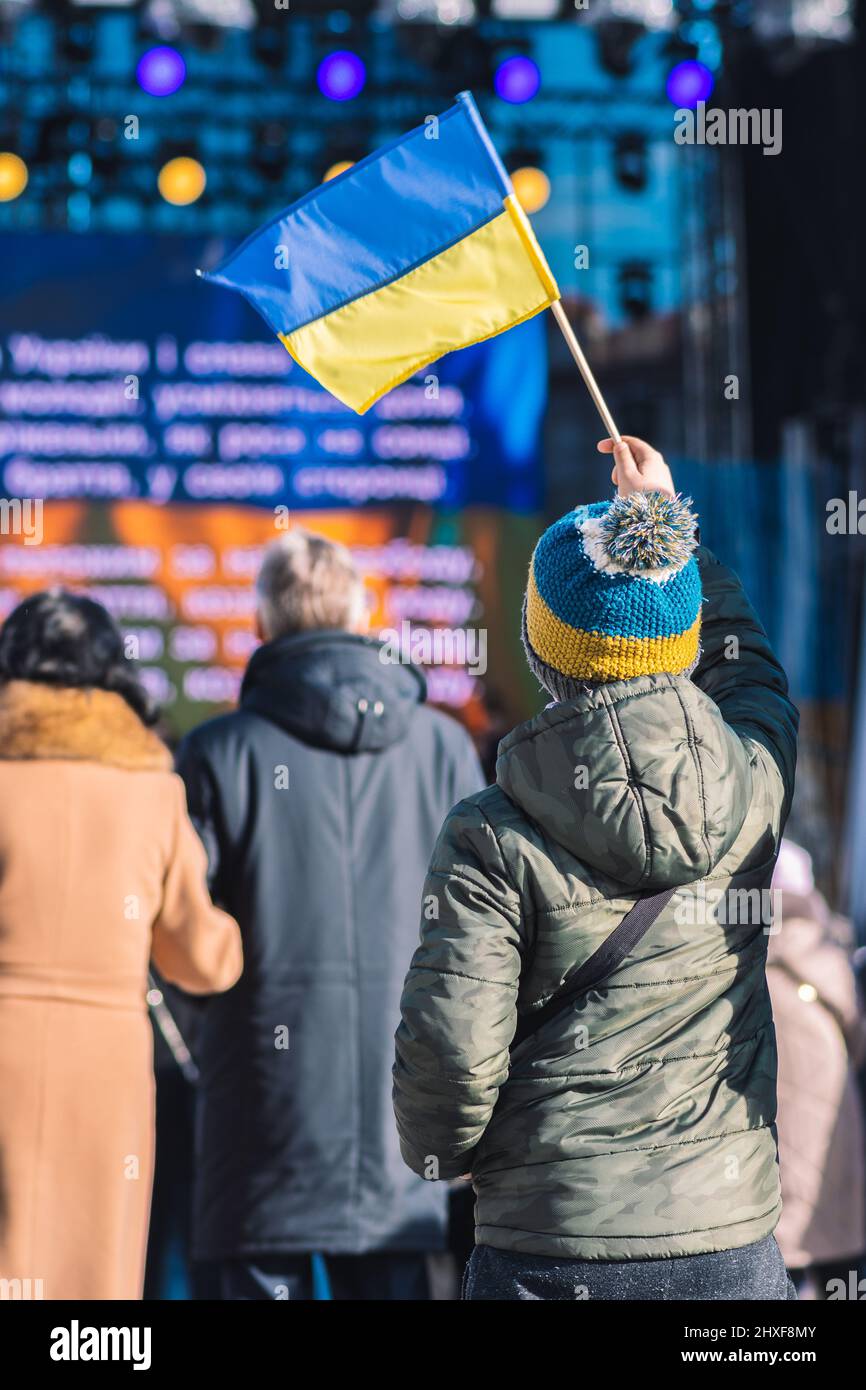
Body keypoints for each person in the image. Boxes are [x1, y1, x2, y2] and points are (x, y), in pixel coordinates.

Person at [394, 436, 800, 1301]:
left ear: (544, 653)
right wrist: (667, 528)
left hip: (550, 1245)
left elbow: (454, 1059)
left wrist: (443, 1154)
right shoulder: (755, 785)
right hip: (733, 1248)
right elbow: (755, 674)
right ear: (686, 638)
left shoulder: (489, 835)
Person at [177, 528, 484, 1300]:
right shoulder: (444, 746)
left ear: (261, 624)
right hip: (404, 1108)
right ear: (361, 614)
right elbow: (478, 931)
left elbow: (187, 934)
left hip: (259, 1111)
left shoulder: (218, 752)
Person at [0, 590, 242, 1301]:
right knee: (93, 1273)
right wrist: (237, 925)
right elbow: (197, 957)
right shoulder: (151, 792)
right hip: (105, 1065)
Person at [767, 838, 866, 1297]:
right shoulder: (821, 948)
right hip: (829, 1128)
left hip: (764, 1143)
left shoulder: (738, 952)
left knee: (782, 1255)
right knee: (832, 1261)